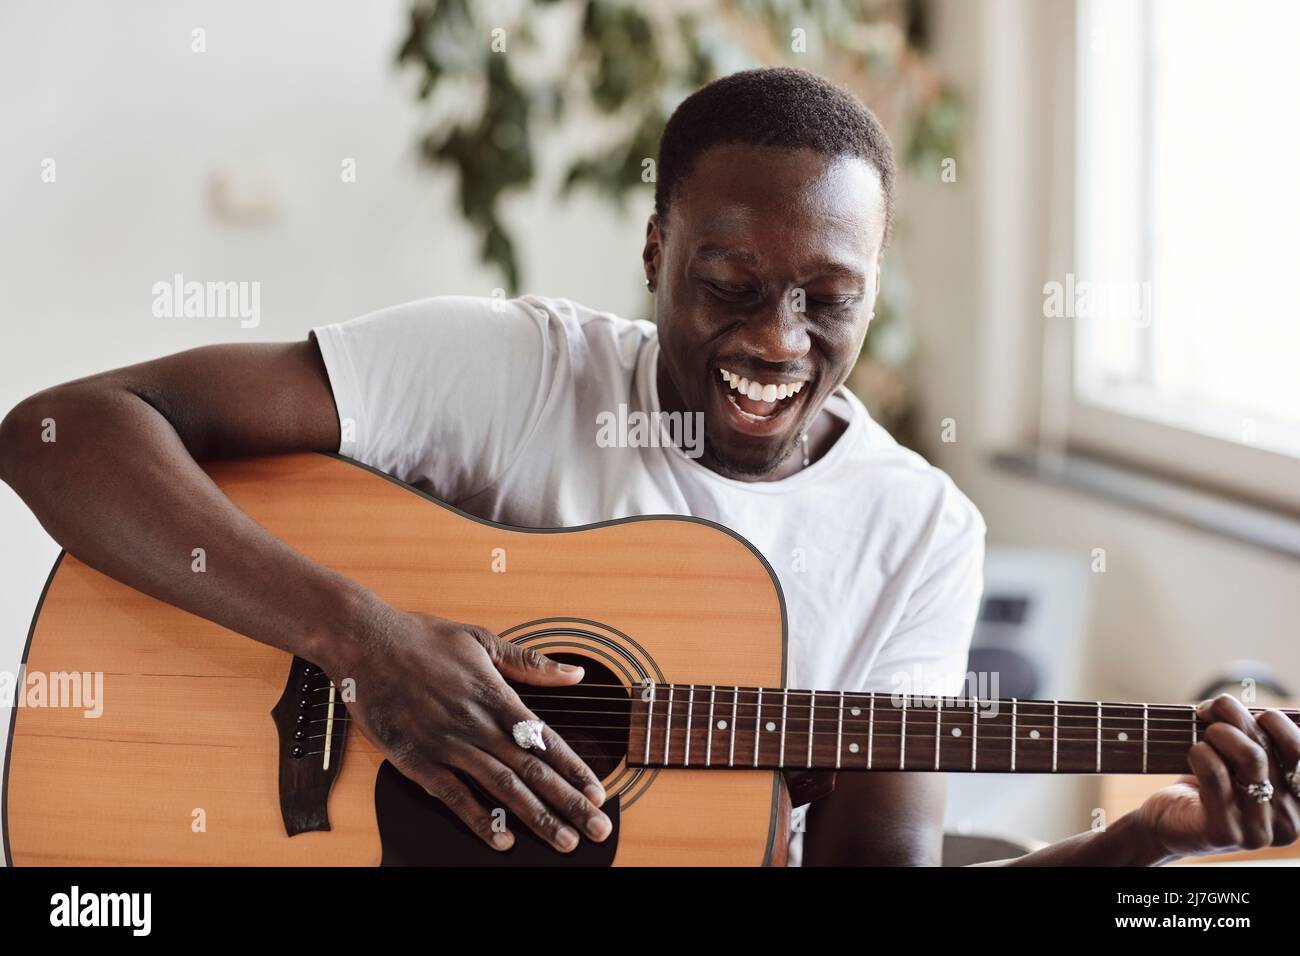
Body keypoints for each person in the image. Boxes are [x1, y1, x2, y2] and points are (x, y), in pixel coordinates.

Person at [2, 67, 1296, 866]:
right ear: (653, 250)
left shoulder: (916, 533)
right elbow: (55, 433)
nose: (777, 341)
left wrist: (1138, 841)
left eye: (829, 297)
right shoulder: (510, 369)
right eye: (729, 284)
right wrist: (365, 641)